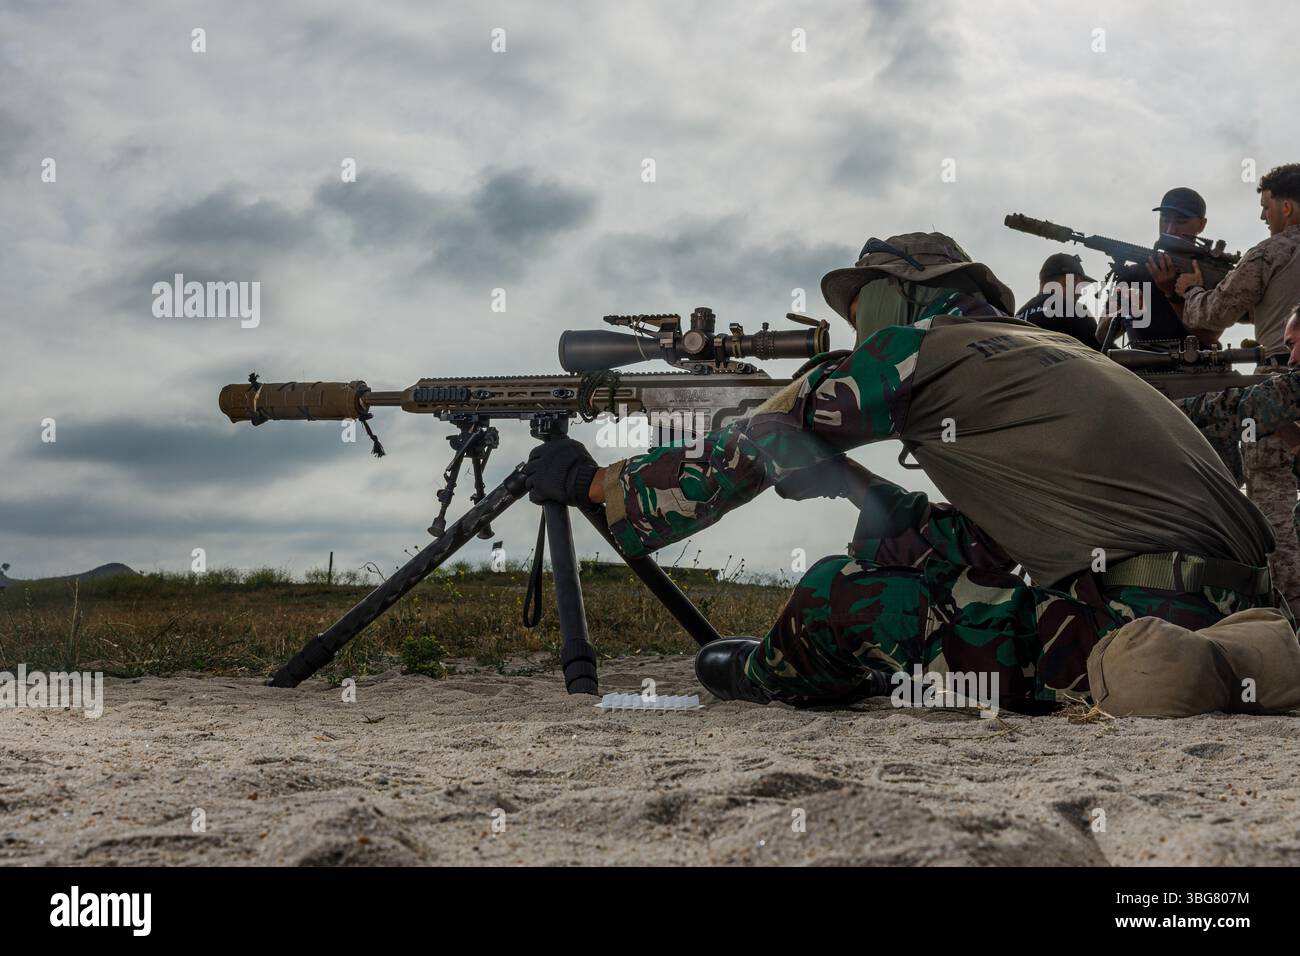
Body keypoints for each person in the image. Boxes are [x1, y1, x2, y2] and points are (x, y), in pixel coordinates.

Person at [524, 233, 1285, 712]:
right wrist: (862, 492)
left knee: (833, 596)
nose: (862, 326)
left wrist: (601, 489)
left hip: (1137, 628)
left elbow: (763, 436)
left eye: (867, 304)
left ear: (905, 298)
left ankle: (771, 676)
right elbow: (1008, 536)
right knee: (910, 542)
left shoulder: (925, 345)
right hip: (1228, 602)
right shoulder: (1046, 353)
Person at [1174, 164, 1300, 611]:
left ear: (1286, 206)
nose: (1263, 217)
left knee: (1273, 507)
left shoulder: (1270, 252)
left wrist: (1191, 289)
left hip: (1280, 388)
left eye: (1266, 206)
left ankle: (1286, 618)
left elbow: (1211, 315)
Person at [1109, 187, 1218, 347]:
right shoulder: (1134, 273)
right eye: (1165, 219)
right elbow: (1101, 334)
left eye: (1181, 222)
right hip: (1141, 370)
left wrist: (1172, 294)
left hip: (1199, 370)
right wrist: (1126, 310)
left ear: (1202, 224)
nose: (1170, 229)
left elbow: (1209, 338)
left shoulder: (1210, 274)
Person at [1014, 252, 1101, 349]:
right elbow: (1107, 353)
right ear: (1067, 281)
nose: (1080, 293)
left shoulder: (1019, 314)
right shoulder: (1073, 310)